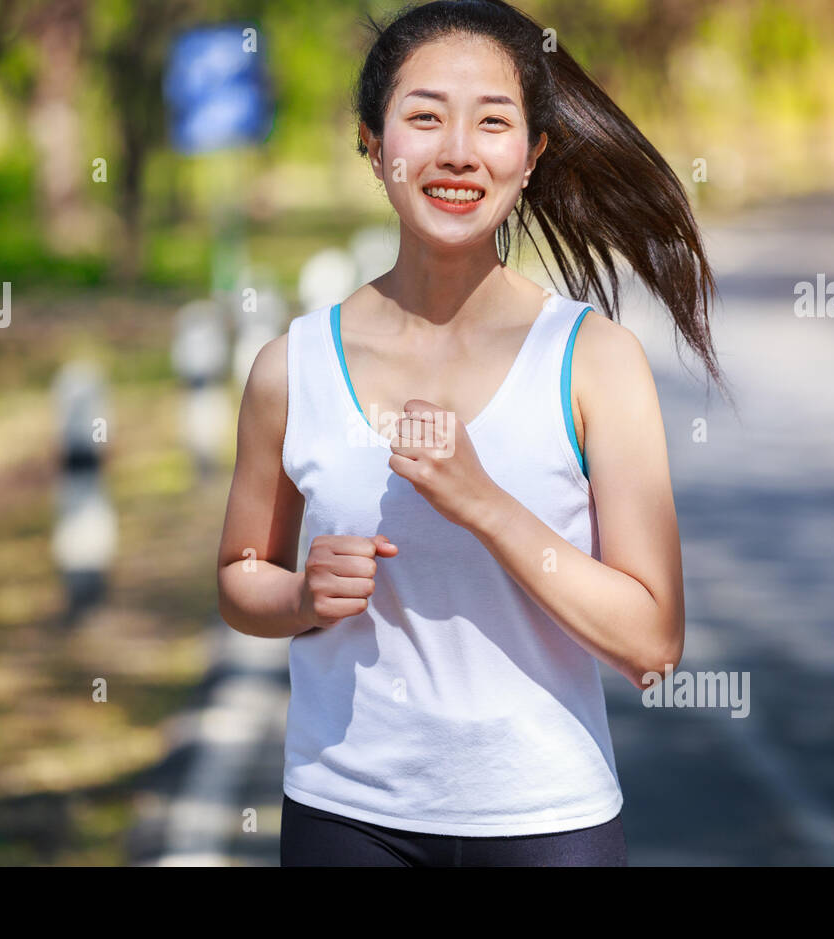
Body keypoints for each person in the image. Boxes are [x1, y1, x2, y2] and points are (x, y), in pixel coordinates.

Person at [216, 0, 732, 866]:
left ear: (530, 156)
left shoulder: (595, 361)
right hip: (346, 817)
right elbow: (239, 579)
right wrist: (302, 597)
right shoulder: (290, 366)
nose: (457, 151)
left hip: (550, 821)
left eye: (492, 122)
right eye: (424, 117)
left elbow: (654, 643)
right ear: (373, 145)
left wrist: (485, 505)